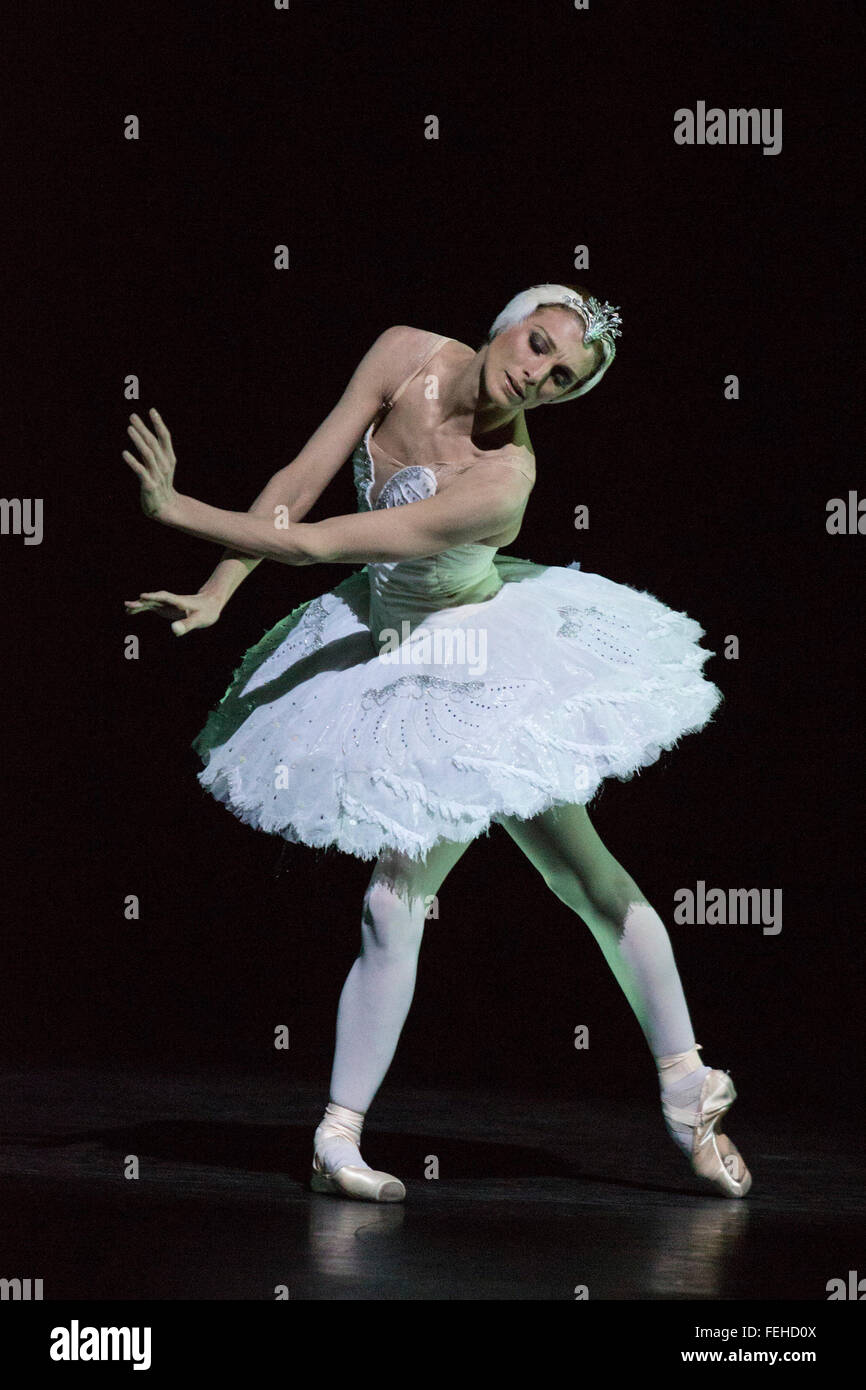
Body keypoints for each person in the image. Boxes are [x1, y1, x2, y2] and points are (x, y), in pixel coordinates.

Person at [122, 282, 751, 1203]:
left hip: (471, 667)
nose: (539, 376)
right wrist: (219, 589)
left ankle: (343, 1135)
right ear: (509, 320)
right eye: (540, 346)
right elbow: (300, 489)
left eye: (562, 379)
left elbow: (330, 539)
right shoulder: (404, 349)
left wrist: (180, 512)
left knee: (423, 894)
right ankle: (685, 1083)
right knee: (574, 876)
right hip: (382, 640)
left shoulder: (505, 482)